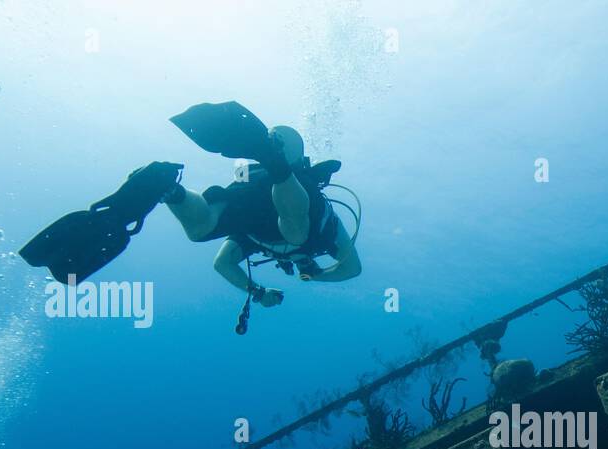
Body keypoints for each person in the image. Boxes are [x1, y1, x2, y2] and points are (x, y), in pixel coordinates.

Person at [18, 101, 361, 334]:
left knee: (201, 228)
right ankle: (275, 164)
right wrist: (312, 277)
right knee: (298, 232)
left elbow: (222, 264)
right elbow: (352, 267)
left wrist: (256, 292)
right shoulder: (327, 226)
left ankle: (171, 190)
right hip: (287, 189)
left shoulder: (251, 239)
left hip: (247, 194)